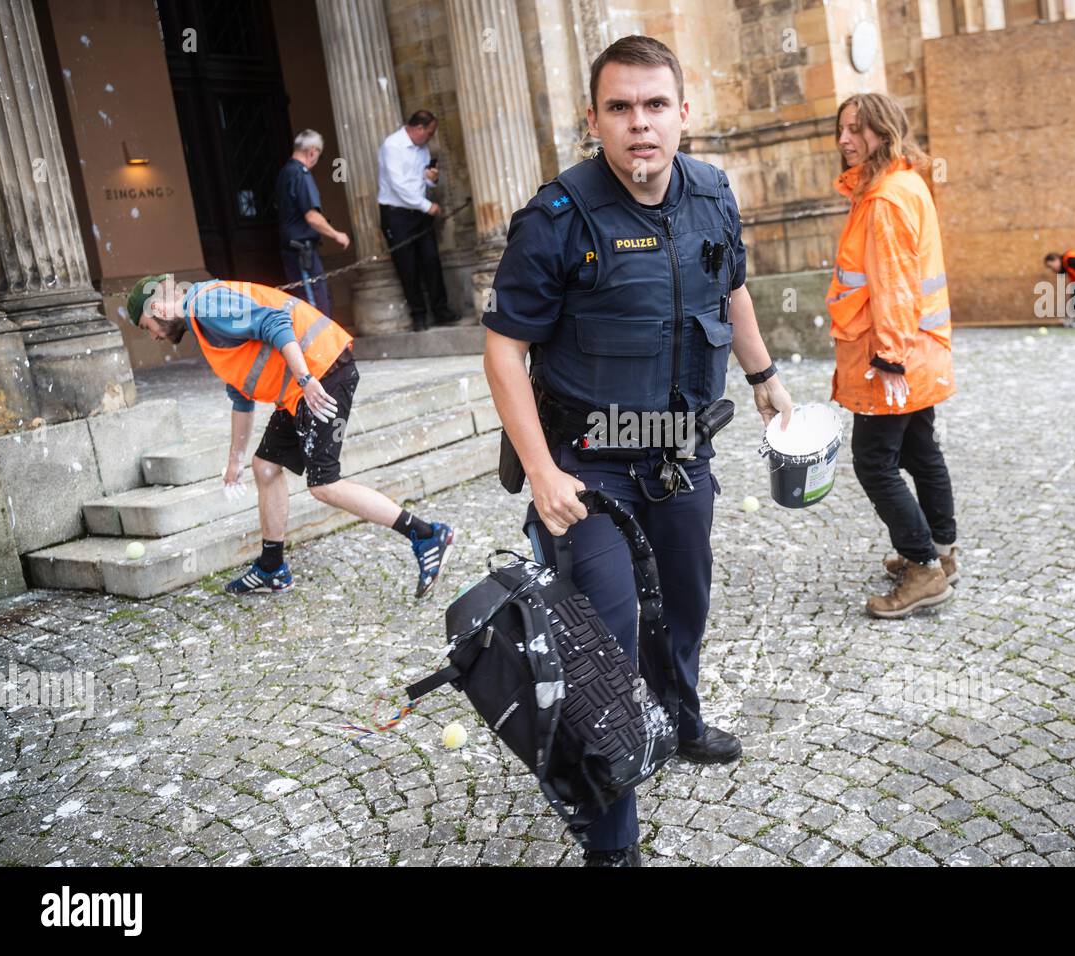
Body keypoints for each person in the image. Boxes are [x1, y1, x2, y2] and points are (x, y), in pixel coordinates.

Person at [483, 35, 792, 866]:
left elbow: (730, 286)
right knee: (603, 638)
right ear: (594, 120)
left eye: (656, 106)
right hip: (586, 464)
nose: (639, 125)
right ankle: (612, 838)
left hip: (680, 449)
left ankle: (680, 720)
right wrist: (543, 472)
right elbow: (504, 350)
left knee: (684, 604)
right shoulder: (556, 218)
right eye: (619, 108)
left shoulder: (714, 194)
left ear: (684, 114)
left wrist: (763, 375)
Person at [125, 274, 456, 599]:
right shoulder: (203, 320)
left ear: (158, 307)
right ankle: (272, 568)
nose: (152, 336)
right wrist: (234, 461)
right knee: (264, 466)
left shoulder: (208, 305)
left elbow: (275, 323)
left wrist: (305, 378)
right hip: (301, 390)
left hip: (322, 375)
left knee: (324, 484)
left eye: (146, 326)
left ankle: (426, 535)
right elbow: (241, 397)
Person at [827, 92, 959, 620]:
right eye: (841, 130)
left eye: (856, 129)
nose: (844, 140)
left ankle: (923, 566)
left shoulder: (883, 197)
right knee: (921, 450)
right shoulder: (905, 184)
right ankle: (941, 552)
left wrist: (888, 359)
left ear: (884, 130)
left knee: (874, 462)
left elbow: (895, 285)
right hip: (920, 352)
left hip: (894, 359)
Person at [378, 110, 460, 331]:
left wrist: (431, 180)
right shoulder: (392, 146)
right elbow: (399, 185)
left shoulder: (423, 150)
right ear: (419, 128)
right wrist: (428, 206)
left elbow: (421, 179)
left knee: (431, 260)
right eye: (430, 132)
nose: (431, 137)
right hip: (397, 214)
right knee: (407, 266)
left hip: (419, 212)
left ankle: (440, 310)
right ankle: (419, 316)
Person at [276, 129, 349, 318]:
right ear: (312, 151)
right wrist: (336, 234)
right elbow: (312, 216)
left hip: (293, 250)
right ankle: (321, 348)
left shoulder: (285, 172)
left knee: (308, 302)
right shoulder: (300, 174)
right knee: (315, 305)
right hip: (302, 251)